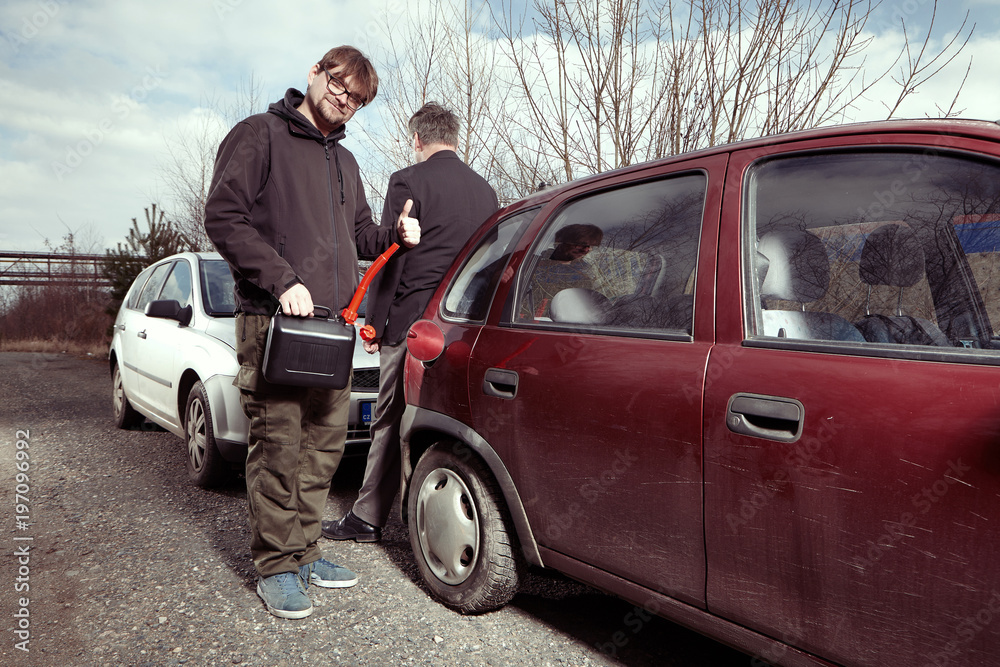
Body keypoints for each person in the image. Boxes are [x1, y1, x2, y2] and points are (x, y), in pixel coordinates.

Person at [204, 46, 420, 620]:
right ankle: (275, 566)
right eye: (337, 84)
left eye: (355, 98)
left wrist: (395, 233)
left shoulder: (345, 164)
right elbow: (223, 216)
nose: (342, 99)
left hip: (333, 327)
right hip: (274, 320)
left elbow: (361, 239)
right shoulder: (260, 136)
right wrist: (281, 280)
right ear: (314, 74)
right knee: (278, 445)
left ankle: (303, 551)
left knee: (322, 447)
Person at [322, 102, 499, 543]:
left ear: (417, 139)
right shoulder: (487, 192)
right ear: (456, 140)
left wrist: (376, 326)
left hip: (413, 323)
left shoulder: (409, 180)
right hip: (465, 322)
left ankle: (368, 518)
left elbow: (391, 258)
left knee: (389, 417)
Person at [520, 223, 603, 320]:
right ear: (562, 242)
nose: (586, 250)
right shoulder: (530, 264)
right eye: (582, 245)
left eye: (590, 246)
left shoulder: (586, 274)